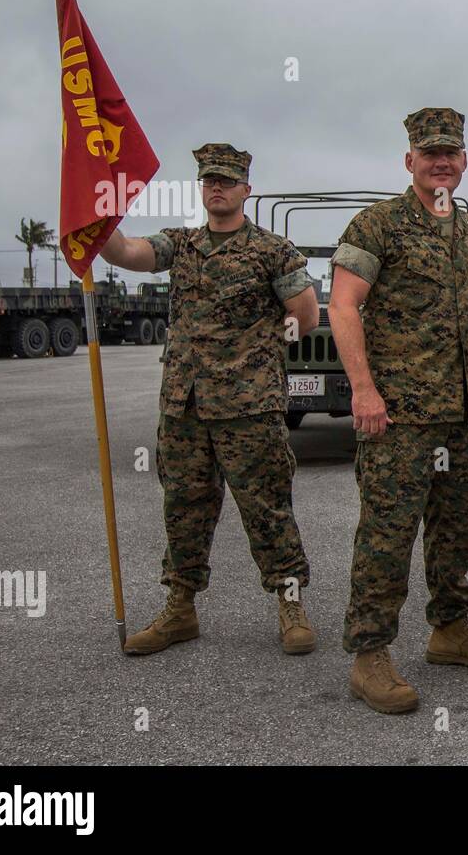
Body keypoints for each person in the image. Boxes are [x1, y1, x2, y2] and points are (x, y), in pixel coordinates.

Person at [98, 143, 320, 656]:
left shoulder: (271, 250)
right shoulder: (182, 243)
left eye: (227, 180)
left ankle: (290, 606)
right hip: (185, 405)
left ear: (246, 189)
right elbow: (128, 254)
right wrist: (98, 223)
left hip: (249, 406)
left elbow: (304, 316)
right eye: (208, 180)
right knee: (184, 508)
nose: (216, 187)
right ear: (201, 189)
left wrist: (258, 351)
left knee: (266, 508)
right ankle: (180, 608)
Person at [330, 107, 468, 716]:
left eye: (450, 153)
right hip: (399, 416)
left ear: (463, 162)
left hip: (460, 414)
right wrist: (363, 389)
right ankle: (370, 654)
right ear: (409, 160)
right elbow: (342, 305)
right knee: (387, 534)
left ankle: (450, 630)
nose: (440, 161)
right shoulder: (378, 224)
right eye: (429, 152)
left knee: (457, 527)